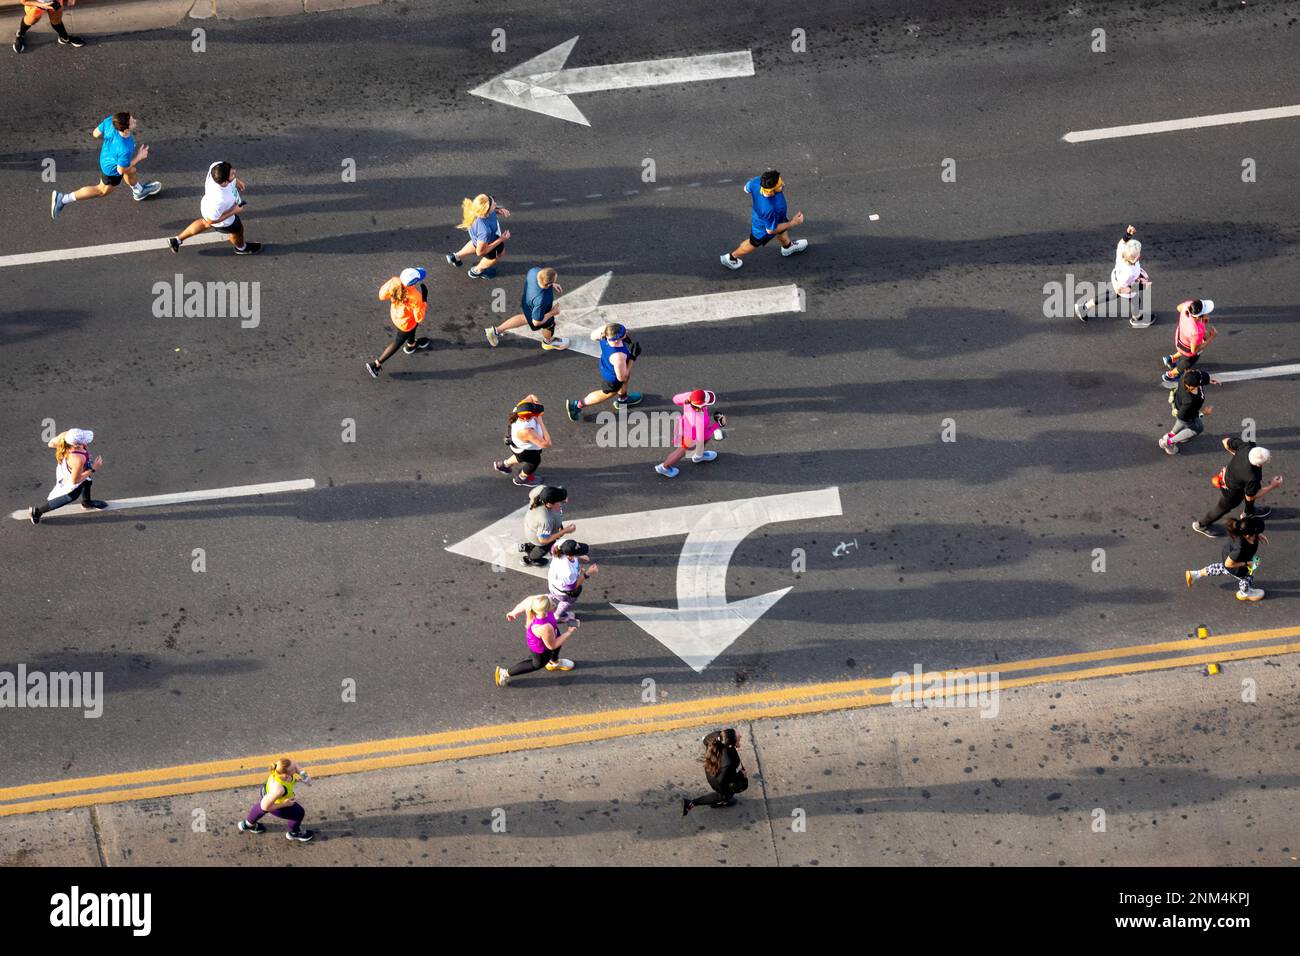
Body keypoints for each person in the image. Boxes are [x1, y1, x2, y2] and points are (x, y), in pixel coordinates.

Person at [50, 112, 160, 219]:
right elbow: (121, 170)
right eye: (132, 121)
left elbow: (95, 133)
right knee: (102, 191)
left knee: (131, 170)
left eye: (131, 118)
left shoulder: (112, 121)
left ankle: (138, 191)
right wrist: (139, 157)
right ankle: (63, 199)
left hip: (106, 157)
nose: (135, 120)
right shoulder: (125, 148)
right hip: (111, 169)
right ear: (126, 129)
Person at [168, 161, 261, 256]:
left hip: (206, 205)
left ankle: (177, 240)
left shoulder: (216, 168)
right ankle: (241, 248)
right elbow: (211, 221)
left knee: (204, 223)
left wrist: (236, 181)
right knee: (237, 230)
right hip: (222, 219)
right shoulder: (220, 199)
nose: (234, 171)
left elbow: (208, 221)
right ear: (224, 182)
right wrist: (235, 210)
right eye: (232, 174)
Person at [1192, 440, 1283, 537]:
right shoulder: (1252, 477)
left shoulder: (1246, 447)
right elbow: (1250, 497)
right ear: (1258, 464)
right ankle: (1201, 525)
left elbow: (1225, 441)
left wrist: (1237, 456)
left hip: (1231, 478)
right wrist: (1273, 485)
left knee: (1252, 489)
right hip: (1231, 492)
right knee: (1221, 509)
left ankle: (1248, 512)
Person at [720, 170, 807, 270]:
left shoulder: (757, 182)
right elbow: (770, 230)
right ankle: (731, 258)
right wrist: (793, 222)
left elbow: (746, 189)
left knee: (782, 229)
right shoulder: (768, 208)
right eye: (779, 185)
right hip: (762, 228)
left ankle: (787, 247)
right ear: (770, 192)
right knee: (753, 242)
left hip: (776, 218)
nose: (782, 184)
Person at [494, 595, 578, 686]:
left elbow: (527, 601)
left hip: (549, 634)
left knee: (558, 641)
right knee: (536, 665)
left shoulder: (537, 603)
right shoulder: (545, 627)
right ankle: (504, 673)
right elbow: (552, 646)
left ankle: (554, 662)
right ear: (545, 609)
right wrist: (569, 632)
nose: (554, 604)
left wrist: (514, 612)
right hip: (541, 648)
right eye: (552, 604)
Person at [1074, 225, 1149, 326]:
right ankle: (1137, 318)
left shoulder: (1122, 251)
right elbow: (1119, 289)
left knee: (1113, 295)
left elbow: (1121, 243)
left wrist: (1128, 235)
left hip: (1116, 276)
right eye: (1138, 253)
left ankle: (1083, 308)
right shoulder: (1129, 272)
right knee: (1135, 298)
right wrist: (1138, 287)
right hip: (1122, 285)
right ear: (1135, 259)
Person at [566, 323, 642, 420]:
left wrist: (624, 338)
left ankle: (623, 399)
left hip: (606, 364)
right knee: (607, 393)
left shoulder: (604, 332)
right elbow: (622, 377)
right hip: (612, 378)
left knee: (624, 378)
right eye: (624, 333)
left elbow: (592, 336)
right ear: (617, 340)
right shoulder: (619, 356)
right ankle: (576, 406)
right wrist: (633, 357)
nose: (626, 332)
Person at [28, 428, 106, 524]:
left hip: (66, 467)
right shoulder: (78, 459)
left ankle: (86, 502)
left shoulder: (65, 437)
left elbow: (51, 443)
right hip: (72, 474)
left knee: (87, 482)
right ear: (76, 444)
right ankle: (37, 512)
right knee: (71, 496)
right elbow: (75, 481)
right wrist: (93, 468)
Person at [365, 267, 431, 377]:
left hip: (396, 315)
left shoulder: (394, 281)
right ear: (413, 282)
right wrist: (424, 300)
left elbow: (382, 296)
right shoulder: (416, 297)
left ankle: (411, 345)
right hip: (406, 323)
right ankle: (376, 364)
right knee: (398, 341)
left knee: (412, 327)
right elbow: (419, 318)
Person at [484, 266, 568, 350]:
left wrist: (552, 284)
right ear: (548, 284)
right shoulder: (541, 300)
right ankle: (548, 342)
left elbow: (542, 278)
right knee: (549, 324)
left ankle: (495, 331)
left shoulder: (534, 271)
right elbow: (536, 322)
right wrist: (553, 312)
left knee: (525, 318)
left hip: (527, 302)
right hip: (538, 309)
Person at [1186, 515, 1267, 602]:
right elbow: (1228, 564)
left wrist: (1258, 535)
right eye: (1256, 532)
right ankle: (1245, 593)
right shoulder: (1240, 549)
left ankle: (1194, 574)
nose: (1257, 534)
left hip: (1229, 555)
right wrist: (1248, 563)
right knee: (1247, 577)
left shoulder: (1242, 531)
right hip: (1235, 566)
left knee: (1220, 568)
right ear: (1247, 535)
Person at [238, 757, 315, 842]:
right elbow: (265, 807)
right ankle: (294, 833)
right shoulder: (279, 789)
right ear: (286, 774)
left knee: (261, 805)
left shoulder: (280, 767)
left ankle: (247, 825)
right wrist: (286, 804)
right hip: (277, 804)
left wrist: (304, 776)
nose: (295, 769)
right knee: (299, 813)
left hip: (266, 792)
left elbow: (294, 764)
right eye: (293, 769)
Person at [656, 389, 726, 478]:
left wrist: (689, 395)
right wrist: (717, 424)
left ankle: (698, 456)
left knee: (699, 441)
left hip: (686, 427)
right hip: (692, 435)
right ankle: (664, 467)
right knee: (681, 451)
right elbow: (700, 439)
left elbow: (675, 399)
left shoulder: (688, 398)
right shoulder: (700, 419)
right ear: (702, 404)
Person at [683, 729, 749, 814]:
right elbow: (722, 781)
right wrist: (741, 774)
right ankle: (693, 803)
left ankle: (720, 799)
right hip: (717, 780)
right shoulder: (729, 762)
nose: (740, 736)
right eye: (738, 738)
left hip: (711, 768)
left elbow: (705, 740)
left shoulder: (718, 736)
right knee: (725, 794)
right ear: (730, 745)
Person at [447, 193, 511, 278]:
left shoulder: (475, 209)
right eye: (493, 205)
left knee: (476, 243)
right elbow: (480, 252)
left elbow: (479, 243)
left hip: (478, 239)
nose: (495, 204)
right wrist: (502, 239)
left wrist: (498, 210)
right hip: (489, 241)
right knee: (498, 255)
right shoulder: (485, 231)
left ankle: (456, 257)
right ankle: (476, 271)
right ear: (486, 212)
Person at [1159, 369, 1220, 455]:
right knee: (1197, 428)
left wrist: (1208, 381)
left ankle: (1170, 435)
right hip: (1184, 414)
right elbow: (1184, 416)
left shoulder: (1185, 377)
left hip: (1179, 406)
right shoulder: (1191, 400)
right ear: (1194, 386)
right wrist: (1203, 413)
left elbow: (1199, 376)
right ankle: (1169, 443)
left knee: (1184, 422)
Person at [494, 395, 551, 487]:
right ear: (526, 418)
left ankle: (503, 465)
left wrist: (535, 402)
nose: (537, 414)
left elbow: (531, 396)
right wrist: (540, 421)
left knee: (519, 457)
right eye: (534, 414)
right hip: (526, 452)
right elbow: (547, 444)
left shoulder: (518, 408)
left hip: (517, 447)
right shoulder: (526, 431)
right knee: (533, 463)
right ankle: (521, 478)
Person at [1160, 299, 1217, 389]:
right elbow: (1194, 350)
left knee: (1184, 349)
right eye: (1206, 312)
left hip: (1180, 337)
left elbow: (1179, 308)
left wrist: (1203, 320)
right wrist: (1211, 338)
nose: (1208, 314)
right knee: (1188, 362)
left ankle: (1171, 359)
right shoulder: (1197, 331)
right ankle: (1170, 375)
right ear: (1199, 317)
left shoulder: (1189, 305)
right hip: (1187, 348)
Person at [520, 485, 574, 566]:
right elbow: (543, 540)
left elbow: (530, 494)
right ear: (549, 504)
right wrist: (565, 531)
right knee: (545, 547)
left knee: (549, 541)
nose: (566, 500)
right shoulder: (545, 520)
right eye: (561, 501)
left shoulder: (541, 490)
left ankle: (528, 546)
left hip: (533, 526)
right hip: (537, 537)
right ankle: (530, 559)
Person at [547, 539, 596, 625]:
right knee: (568, 600)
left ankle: (551, 597)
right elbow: (572, 587)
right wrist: (587, 573)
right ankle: (558, 616)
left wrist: (579, 556)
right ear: (571, 555)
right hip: (562, 591)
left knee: (555, 593)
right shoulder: (569, 572)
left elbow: (554, 549)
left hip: (552, 582)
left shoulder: (560, 544)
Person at [13, 0, 85, 53]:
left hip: (55, 2)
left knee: (56, 20)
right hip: (36, 4)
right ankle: (20, 34)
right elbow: (24, 1)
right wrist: (42, 5)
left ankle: (64, 38)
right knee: (31, 20)